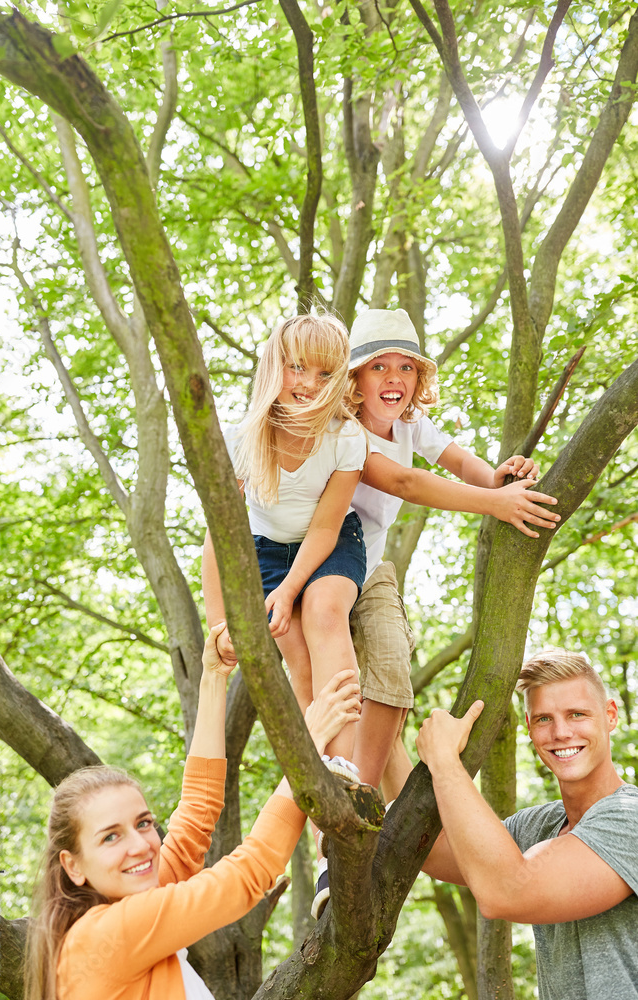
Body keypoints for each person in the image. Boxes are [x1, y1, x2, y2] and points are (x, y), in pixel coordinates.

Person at [24, 621, 362, 1000]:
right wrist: (306, 749)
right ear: (73, 866)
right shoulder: (104, 935)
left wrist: (214, 675)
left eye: (144, 823)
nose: (140, 845)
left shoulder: (125, 902)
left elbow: (195, 816)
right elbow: (250, 872)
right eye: (110, 837)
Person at [344, 308, 560, 793]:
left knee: (392, 674)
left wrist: (499, 480)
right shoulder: (343, 430)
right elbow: (404, 481)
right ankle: (345, 795)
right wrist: (496, 504)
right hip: (324, 566)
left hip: (370, 570)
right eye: (378, 366)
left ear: (418, 379)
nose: (394, 378)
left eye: (406, 367)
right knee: (340, 690)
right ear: (354, 378)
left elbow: (458, 461)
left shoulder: (410, 423)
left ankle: (361, 797)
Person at [415, 649, 638, 1000]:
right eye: (544, 719)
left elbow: (504, 892)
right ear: (530, 728)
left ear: (610, 715)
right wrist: (389, 723)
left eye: (577, 714)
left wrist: (444, 761)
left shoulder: (629, 818)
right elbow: (426, 847)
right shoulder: (539, 825)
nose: (561, 732)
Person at [202, 313, 367, 776]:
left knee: (323, 612)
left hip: (332, 543)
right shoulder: (240, 441)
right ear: (274, 366)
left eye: (325, 374)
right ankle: (313, 765)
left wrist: (291, 589)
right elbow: (218, 537)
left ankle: (343, 765)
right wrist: (219, 626)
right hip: (266, 552)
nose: (309, 383)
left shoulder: (345, 437)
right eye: (297, 367)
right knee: (298, 658)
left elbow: (325, 528)